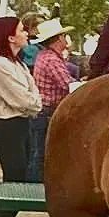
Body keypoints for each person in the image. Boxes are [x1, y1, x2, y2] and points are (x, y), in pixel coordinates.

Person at [0, 17, 42, 217]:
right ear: (10, 37)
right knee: (15, 181)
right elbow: (22, 100)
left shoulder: (19, 65)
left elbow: (32, 95)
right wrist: (33, 102)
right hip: (6, 125)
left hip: (21, 124)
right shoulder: (0, 64)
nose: (27, 34)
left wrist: (32, 102)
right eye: (22, 30)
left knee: (19, 179)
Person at [29, 18, 77, 181]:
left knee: (41, 153)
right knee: (42, 154)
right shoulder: (51, 59)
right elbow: (68, 85)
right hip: (48, 112)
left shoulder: (47, 56)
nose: (66, 38)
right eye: (63, 35)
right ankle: (36, 190)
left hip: (45, 111)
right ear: (59, 39)